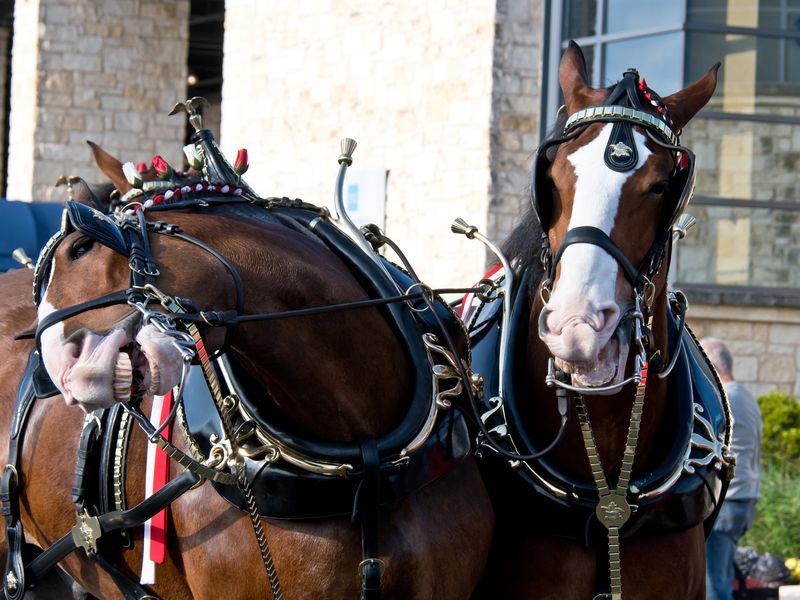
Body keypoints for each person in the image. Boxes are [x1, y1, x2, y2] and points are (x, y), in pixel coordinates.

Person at [701, 337, 762, 600]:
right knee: (720, 578)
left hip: (727, 500)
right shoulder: (745, 394)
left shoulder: (724, 399)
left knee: (715, 585)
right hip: (744, 498)